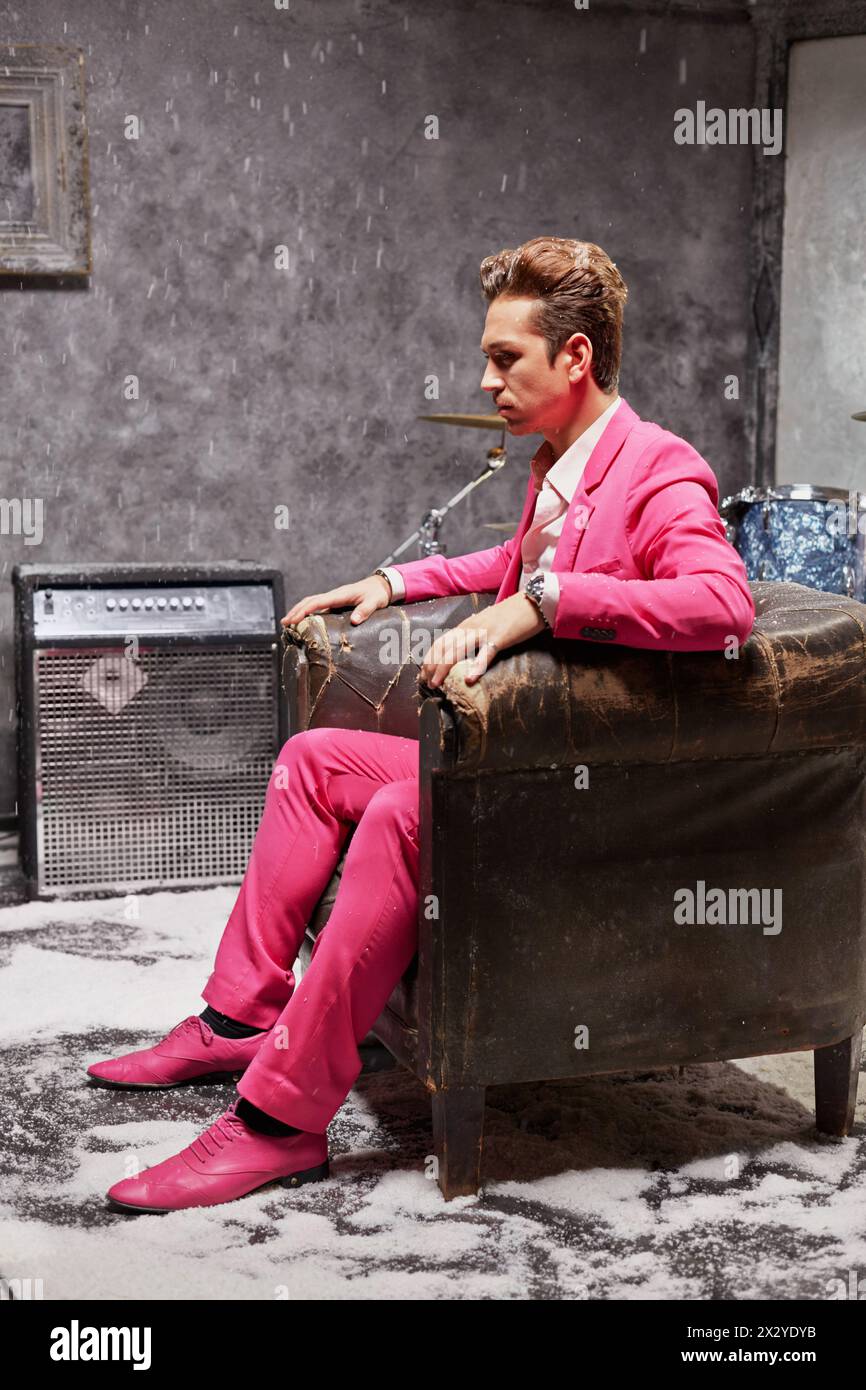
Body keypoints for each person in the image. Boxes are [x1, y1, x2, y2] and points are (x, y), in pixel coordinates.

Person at [89, 235, 755, 1213]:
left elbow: (721, 605)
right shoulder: (564, 461)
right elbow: (511, 558)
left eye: (504, 358)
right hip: (520, 761)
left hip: (596, 793)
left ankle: (278, 1124)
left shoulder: (660, 469)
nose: (484, 379)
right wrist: (393, 580)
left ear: (574, 358)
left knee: (406, 807)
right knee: (316, 759)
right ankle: (237, 1016)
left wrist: (544, 604)